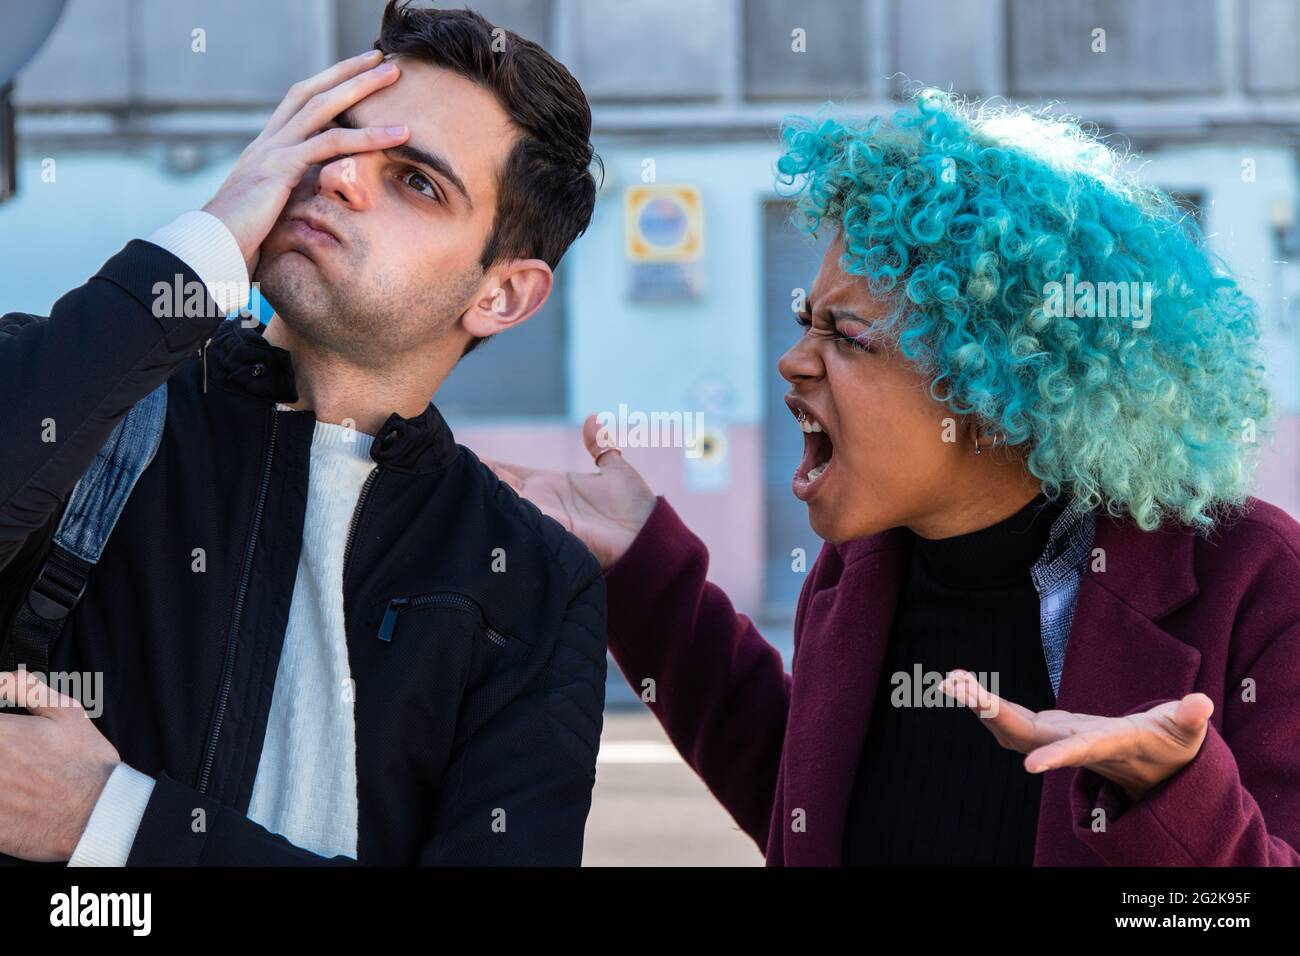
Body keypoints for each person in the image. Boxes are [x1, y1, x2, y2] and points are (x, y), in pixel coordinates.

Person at [488, 90, 1300, 865]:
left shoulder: (1254, 579)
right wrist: (641, 567)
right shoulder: (865, 563)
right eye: (805, 321)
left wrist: (1169, 798)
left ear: (996, 391)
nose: (793, 360)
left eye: (847, 335)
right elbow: (804, 805)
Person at [0, 1, 606, 866]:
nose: (343, 178)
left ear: (501, 294)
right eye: (338, 137)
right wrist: (201, 251)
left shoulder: (534, 585)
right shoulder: (88, 396)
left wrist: (114, 824)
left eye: (417, 182)